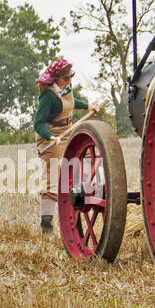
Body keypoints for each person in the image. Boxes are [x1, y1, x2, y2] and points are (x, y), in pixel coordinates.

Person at [32, 59, 101, 234]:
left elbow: (71, 101)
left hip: (67, 131)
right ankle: (46, 225)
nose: (69, 80)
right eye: (65, 77)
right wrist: (51, 137)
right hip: (50, 136)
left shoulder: (66, 88)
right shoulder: (48, 97)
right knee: (53, 179)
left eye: (71, 76)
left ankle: (76, 216)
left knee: (79, 170)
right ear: (56, 79)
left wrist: (87, 106)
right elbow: (38, 123)